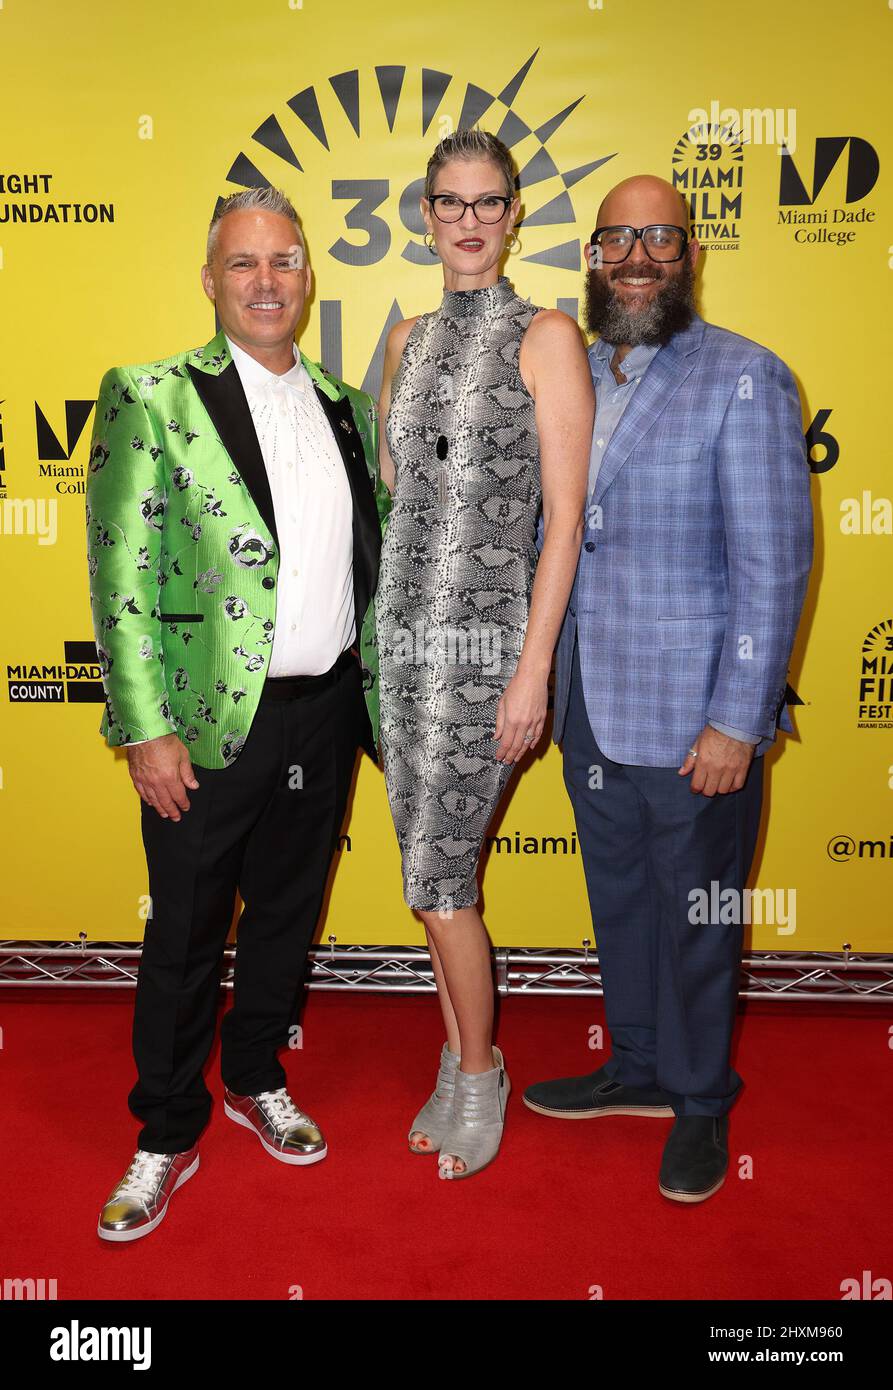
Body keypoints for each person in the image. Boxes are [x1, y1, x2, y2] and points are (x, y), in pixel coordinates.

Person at [86, 186, 390, 1240]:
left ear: (307, 278)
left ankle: (256, 1072)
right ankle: (164, 1131)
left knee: (287, 913)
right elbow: (118, 574)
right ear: (210, 279)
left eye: (285, 260)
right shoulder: (151, 396)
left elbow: (370, 565)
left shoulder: (349, 405)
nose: (267, 280)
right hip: (206, 724)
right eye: (244, 263)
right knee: (182, 930)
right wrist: (143, 726)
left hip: (325, 711)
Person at [523, 175, 813, 1203]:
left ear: (690, 252)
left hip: (695, 715)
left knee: (697, 911)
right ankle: (637, 1062)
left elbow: (771, 564)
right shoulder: (570, 373)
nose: (635, 256)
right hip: (590, 700)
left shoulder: (746, 376)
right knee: (623, 899)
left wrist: (736, 720)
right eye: (615, 239)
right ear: (591, 256)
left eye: (657, 238)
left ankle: (698, 1099)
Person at [375, 129, 594, 1180]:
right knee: (425, 879)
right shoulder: (403, 340)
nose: (467, 219)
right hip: (401, 647)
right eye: (447, 202)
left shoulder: (544, 334)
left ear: (512, 217)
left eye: (487, 201)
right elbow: (398, 490)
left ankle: (477, 1073)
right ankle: (461, 1054)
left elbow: (563, 521)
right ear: (424, 216)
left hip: (484, 651)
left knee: (442, 877)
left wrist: (529, 668)